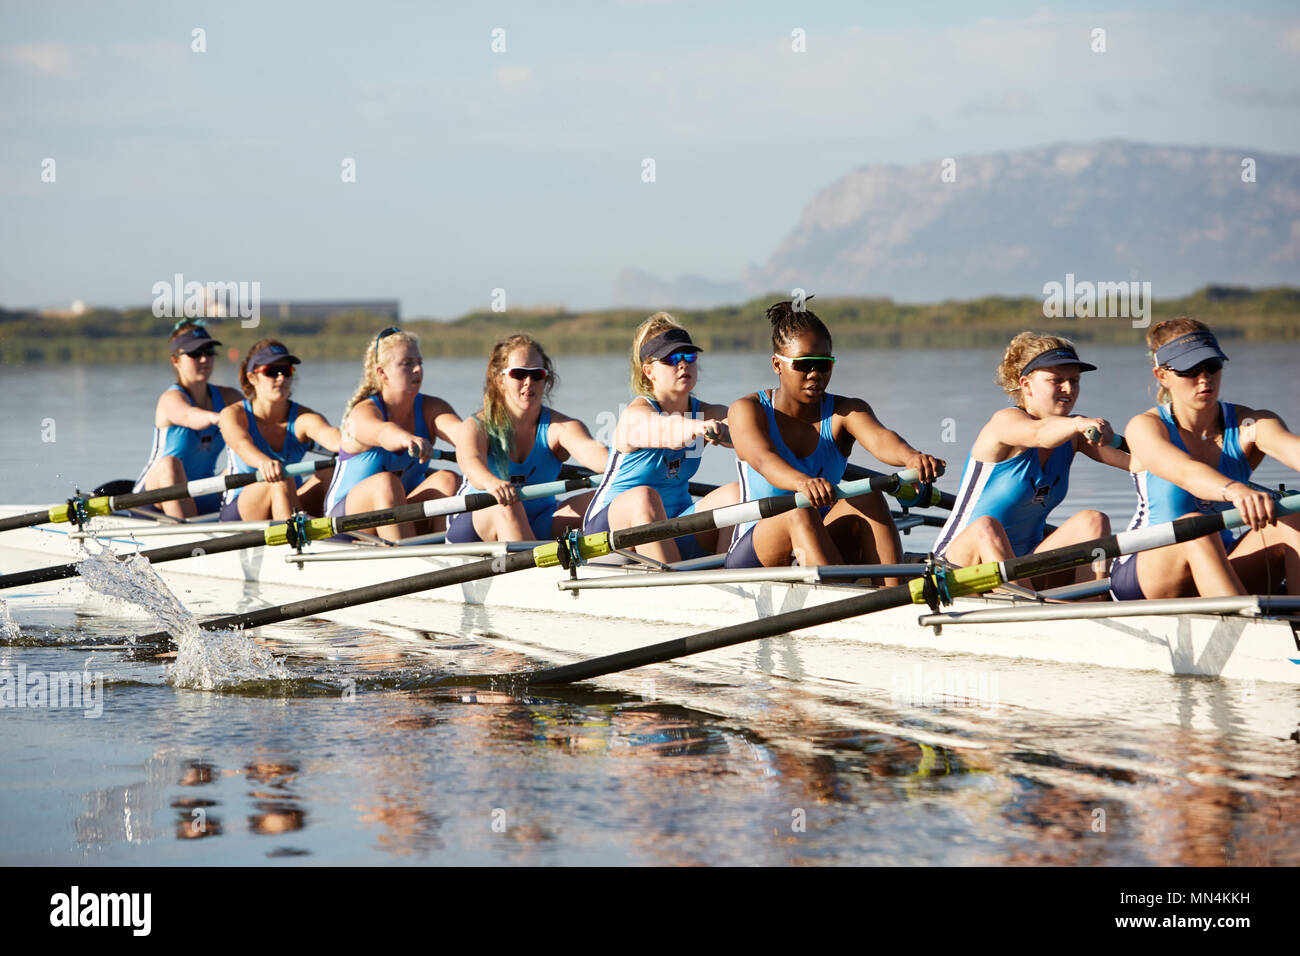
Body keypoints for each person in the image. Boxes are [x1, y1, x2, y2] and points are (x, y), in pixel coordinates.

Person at [725, 299, 944, 579]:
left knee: (870, 496)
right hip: (755, 557)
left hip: (819, 541)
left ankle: (894, 594)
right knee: (798, 509)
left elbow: (881, 440)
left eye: (824, 364)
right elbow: (763, 460)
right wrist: (801, 483)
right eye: (804, 365)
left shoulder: (845, 412)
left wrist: (912, 457)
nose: (815, 374)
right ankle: (837, 602)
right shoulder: (746, 410)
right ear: (777, 364)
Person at [1110, 318, 1300, 600]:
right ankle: (1248, 633)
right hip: (1146, 573)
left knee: (1292, 513)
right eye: (1190, 370)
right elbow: (1186, 473)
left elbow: (1290, 448)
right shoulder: (1145, 427)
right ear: (1162, 375)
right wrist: (1234, 490)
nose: (1204, 378)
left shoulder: (1251, 423)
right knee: (1195, 527)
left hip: (1222, 559)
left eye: (1212, 366)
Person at [932, 333, 1129, 588]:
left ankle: (1095, 603)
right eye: (1056, 380)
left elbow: (1141, 463)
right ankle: (1028, 611)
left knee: (1093, 521)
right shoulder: (1004, 423)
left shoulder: (1074, 434)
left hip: (1022, 566)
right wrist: (1080, 423)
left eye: (1074, 381)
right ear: (1026, 385)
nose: (1068, 389)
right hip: (956, 568)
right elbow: (1040, 435)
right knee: (986, 527)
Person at [582, 314, 740, 564]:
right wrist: (700, 428)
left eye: (689, 356)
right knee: (644, 497)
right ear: (648, 371)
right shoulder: (635, 416)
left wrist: (737, 434)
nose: (683, 364)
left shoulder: (709, 413)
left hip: (673, 527)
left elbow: (753, 431)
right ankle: (676, 585)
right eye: (671, 358)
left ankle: (731, 579)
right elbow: (668, 431)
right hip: (609, 537)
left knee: (734, 494)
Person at [446, 334, 608, 543]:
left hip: (539, 520)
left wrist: (631, 461)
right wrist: (492, 482)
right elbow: (471, 463)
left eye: (537, 374)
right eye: (519, 374)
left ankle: (616, 563)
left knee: (608, 496)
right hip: (476, 525)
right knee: (507, 504)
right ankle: (540, 572)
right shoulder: (477, 426)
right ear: (500, 380)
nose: (529, 382)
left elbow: (595, 454)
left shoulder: (562, 427)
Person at [323, 328, 461, 540]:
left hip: (398, 513)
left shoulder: (432, 408)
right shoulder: (363, 412)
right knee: (385, 483)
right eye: (406, 363)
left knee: (447, 479)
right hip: (344, 525)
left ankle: (449, 555)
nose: (417, 370)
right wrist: (407, 438)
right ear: (382, 373)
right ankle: (406, 557)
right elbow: (382, 433)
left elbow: (462, 434)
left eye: (419, 362)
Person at [217, 340, 341, 521]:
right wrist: (264, 463)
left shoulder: (303, 418)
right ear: (252, 378)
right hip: (240, 510)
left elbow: (334, 439)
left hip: (289, 498)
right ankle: (297, 541)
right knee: (280, 478)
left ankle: (343, 536)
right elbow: (241, 445)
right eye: (272, 372)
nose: (281, 378)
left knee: (331, 472)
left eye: (286, 371)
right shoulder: (233, 414)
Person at [133, 321, 243, 518]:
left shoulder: (229, 397)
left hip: (203, 492)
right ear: (175, 360)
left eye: (209, 351)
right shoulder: (171, 399)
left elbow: (262, 419)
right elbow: (188, 416)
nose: (204, 359)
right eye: (194, 353)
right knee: (170, 464)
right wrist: (222, 418)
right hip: (153, 499)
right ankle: (189, 535)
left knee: (244, 466)